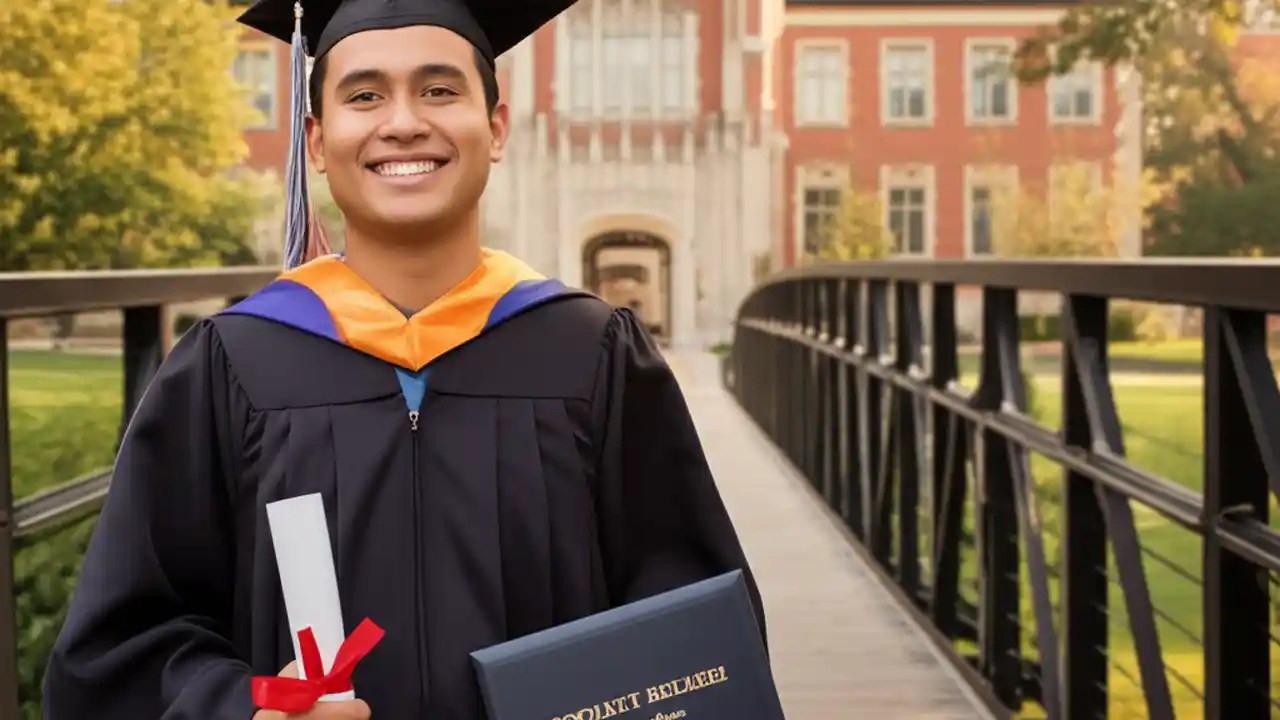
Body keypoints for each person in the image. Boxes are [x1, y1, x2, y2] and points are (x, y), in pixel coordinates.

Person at [41, 0, 765, 718]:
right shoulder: (231, 366)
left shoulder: (594, 357)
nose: (403, 122)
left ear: (497, 126)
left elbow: (698, 639)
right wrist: (243, 710)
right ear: (317, 144)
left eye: (440, 90)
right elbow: (122, 647)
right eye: (364, 96)